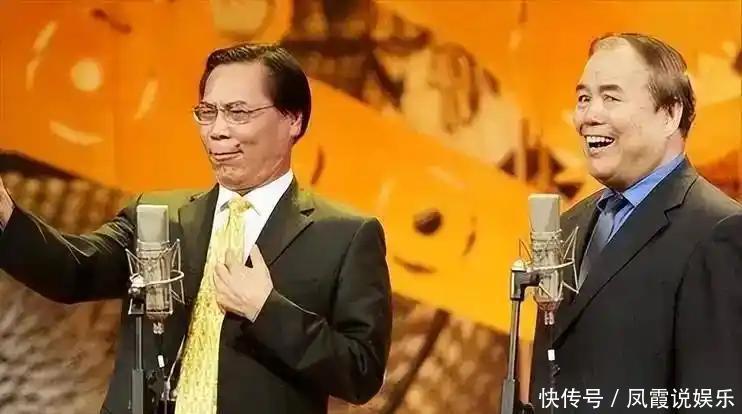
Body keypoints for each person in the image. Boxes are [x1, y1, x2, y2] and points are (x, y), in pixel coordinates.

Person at [0, 43, 392, 414]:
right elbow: (72, 272)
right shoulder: (157, 216)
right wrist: (6, 216)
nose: (217, 130)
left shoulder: (345, 237)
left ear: (293, 120)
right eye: (207, 113)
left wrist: (267, 310)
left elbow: (361, 372)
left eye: (237, 113)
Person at [529, 33, 741, 413]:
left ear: (670, 114)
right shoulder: (568, 226)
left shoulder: (717, 230)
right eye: (584, 98)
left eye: (611, 98)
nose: (589, 116)